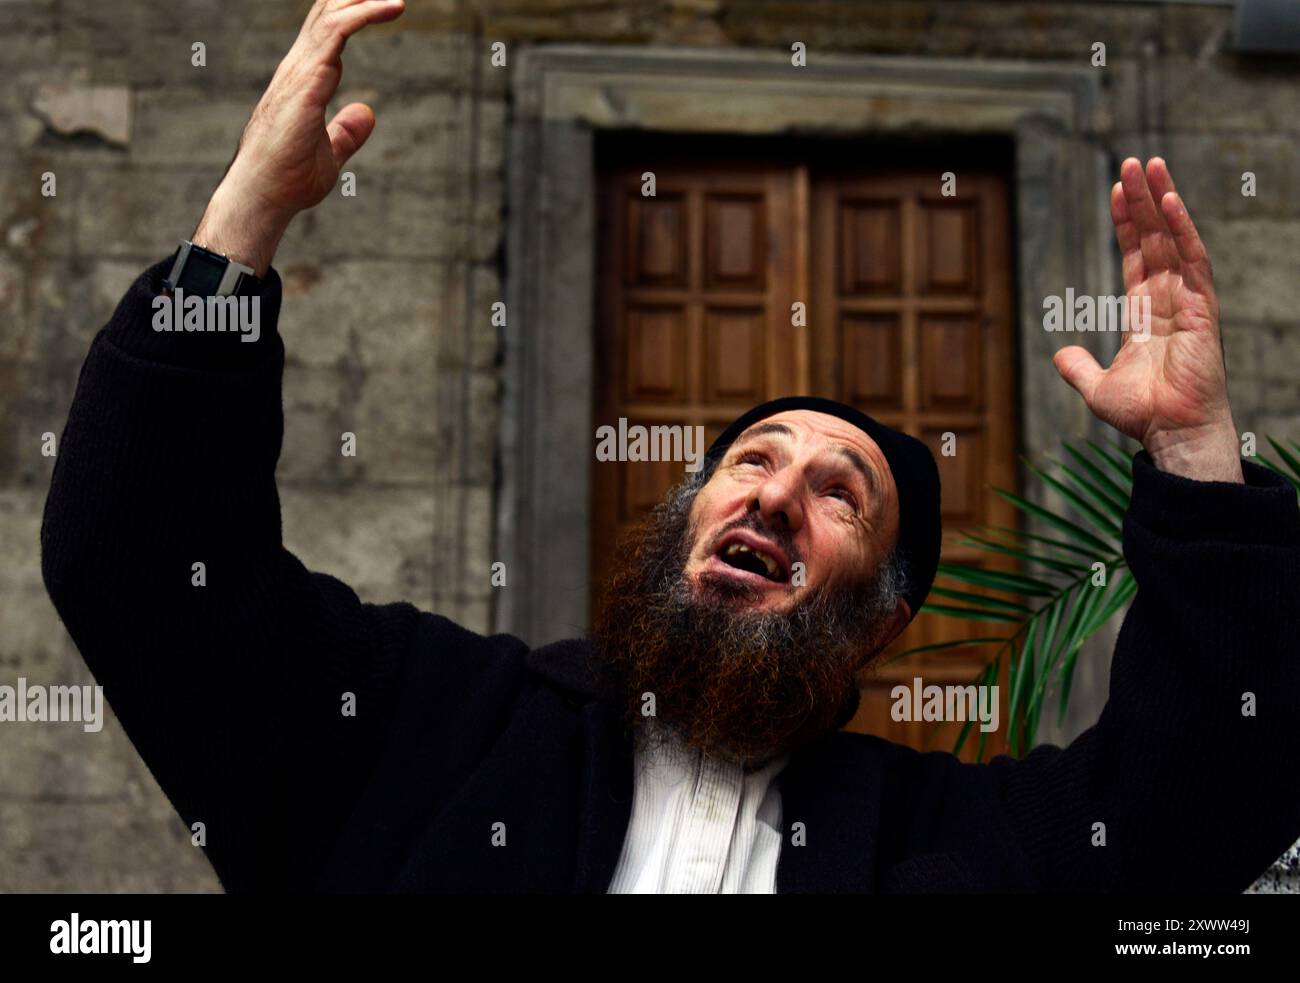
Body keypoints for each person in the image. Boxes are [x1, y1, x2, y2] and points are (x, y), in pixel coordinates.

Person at [41, 0, 1300, 893]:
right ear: (684, 519)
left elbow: (1203, 798)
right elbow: (138, 562)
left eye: (836, 493)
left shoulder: (949, 839)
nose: (773, 494)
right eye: (749, 461)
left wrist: (1192, 444)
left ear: (879, 615)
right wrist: (247, 212)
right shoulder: (426, 729)